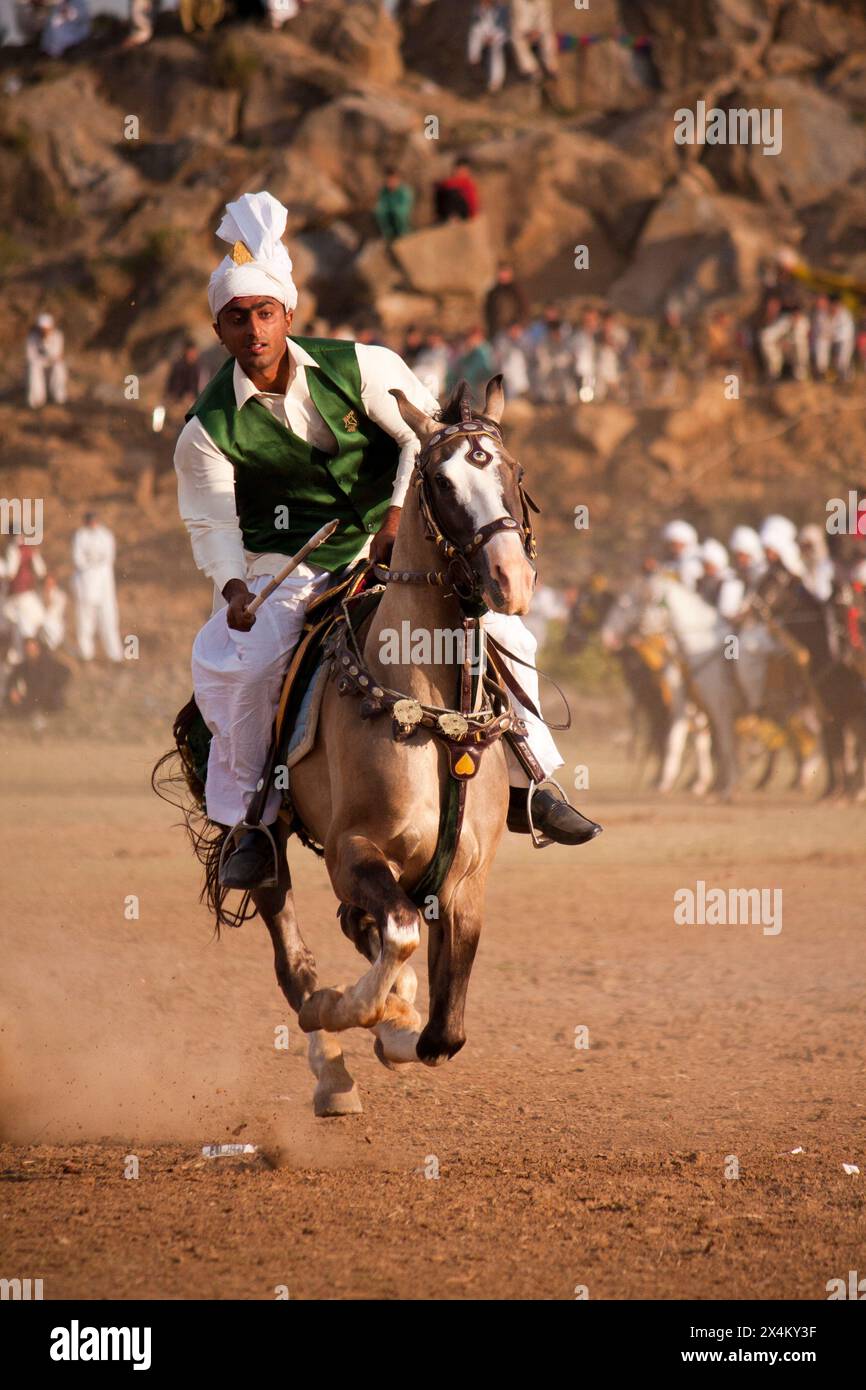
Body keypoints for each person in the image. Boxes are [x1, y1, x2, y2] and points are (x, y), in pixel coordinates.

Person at [175, 191, 600, 890]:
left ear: (288, 315)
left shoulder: (364, 366)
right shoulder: (206, 428)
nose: (253, 330)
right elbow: (212, 522)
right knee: (239, 665)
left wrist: (395, 524)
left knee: (507, 632)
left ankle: (534, 780)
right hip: (287, 566)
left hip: (399, 546)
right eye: (236, 319)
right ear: (218, 329)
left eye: (264, 313)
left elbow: (422, 438)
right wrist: (235, 588)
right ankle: (251, 819)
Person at [71, 512, 123, 662]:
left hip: (104, 586)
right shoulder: (80, 536)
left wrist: (94, 560)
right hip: (85, 585)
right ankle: (85, 653)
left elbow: (109, 557)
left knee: (109, 621)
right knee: (85, 622)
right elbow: (78, 559)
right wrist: (92, 561)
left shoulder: (105, 535)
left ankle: (115, 655)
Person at [2, 538, 47, 656]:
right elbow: (41, 571)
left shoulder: (13, 549)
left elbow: (10, 573)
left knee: (23, 630)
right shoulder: (29, 548)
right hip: (23, 597)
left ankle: (26, 655)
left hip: (20, 597)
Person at [5, 637, 70, 718]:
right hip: (32, 697)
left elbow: (66, 672)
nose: (30, 652)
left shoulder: (49, 663)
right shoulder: (24, 665)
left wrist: (58, 686)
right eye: (28, 650)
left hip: (49, 698)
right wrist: (13, 690)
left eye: (32, 649)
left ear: (38, 649)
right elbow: (12, 678)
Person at [509, 0, 558, 81]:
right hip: (523, 32)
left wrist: (537, 31)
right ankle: (531, 69)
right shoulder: (516, 2)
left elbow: (545, 20)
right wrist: (527, 33)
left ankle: (550, 66)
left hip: (538, 31)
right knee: (515, 39)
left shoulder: (543, 2)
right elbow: (515, 21)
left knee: (548, 36)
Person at [26, 313, 67, 409]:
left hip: (53, 362)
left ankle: (59, 397)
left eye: (46, 329)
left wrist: (46, 341)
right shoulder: (32, 337)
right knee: (34, 368)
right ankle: (37, 400)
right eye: (42, 329)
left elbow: (57, 354)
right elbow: (31, 356)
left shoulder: (58, 336)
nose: (44, 331)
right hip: (38, 363)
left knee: (59, 367)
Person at [467, 1, 509, 93]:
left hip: (500, 37)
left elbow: (505, 29)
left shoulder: (502, 9)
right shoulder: (479, 9)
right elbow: (479, 26)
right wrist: (485, 38)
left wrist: (493, 38)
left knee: (496, 50)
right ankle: (474, 61)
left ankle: (495, 82)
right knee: (475, 32)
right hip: (486, 35)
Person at [484, 262, 528, 342]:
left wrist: (518, 325)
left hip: (515, 331)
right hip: (498, 331)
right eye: (500, 272)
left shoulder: (517, 291)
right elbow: (488, 313)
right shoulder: (493, 293)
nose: (502, 275)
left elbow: (524, 309)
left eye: (504, 272)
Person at [447, 326, 495, 394]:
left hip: (483, 371)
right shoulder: (470, 347)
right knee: (452, 374)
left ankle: (470, 397)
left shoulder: (485, 347)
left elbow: (486, 363)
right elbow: (462, 361)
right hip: (471, 371)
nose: (472, 339)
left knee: (468, 374)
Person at [434, 156, 480, 223]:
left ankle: (453, 217)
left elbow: (472, 202)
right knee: (443, 191)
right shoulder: (451, 182)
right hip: (447, 212)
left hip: (464, 214)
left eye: (463, 170)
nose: (459, 172)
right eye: (458, 169)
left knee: (452, 193)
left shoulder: (468, 183)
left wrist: (473, 216)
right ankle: (446, 218)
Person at [661, 520, 703, 591]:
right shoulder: (674, 561)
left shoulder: (694, 562)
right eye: (671, 544)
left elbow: (688, 587)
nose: (673, 548)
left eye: (676, 544)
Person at [375, 168, 414, 242]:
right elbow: (381, 204)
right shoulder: (384, 191)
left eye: (392, 180)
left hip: (401, 219)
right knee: (380, 212)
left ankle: (403, 236)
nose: (390, 183)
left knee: (399, 214)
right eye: (388, 180)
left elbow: (405, 209)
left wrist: (393, 209)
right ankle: (388, 236)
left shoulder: (405, 191)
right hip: (389, 218)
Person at [166, 339, 207, 410]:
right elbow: (175, 388)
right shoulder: (178, 367)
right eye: (191, 352)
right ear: (186, 352)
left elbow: (199, 386)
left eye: (195, 352)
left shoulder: (197, 367)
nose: (194, 355)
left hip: (193, 401)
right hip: (178, 402)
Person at [39, 573, 68, 651]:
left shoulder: (61, 595)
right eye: (47, 582)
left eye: (51, 582)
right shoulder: (38, 594)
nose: (48, 585)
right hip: (40, 624)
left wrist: (47, 597)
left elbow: (54, 612)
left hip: (54, 624)